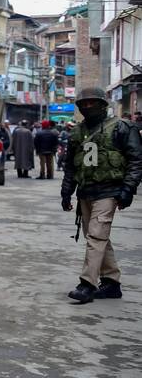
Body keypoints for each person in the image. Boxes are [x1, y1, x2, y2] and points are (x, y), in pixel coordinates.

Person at [60, 87, 142, 303]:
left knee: (96, 235)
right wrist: (66, 192)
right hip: (86, 192)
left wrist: (128, 189)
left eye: (92, 103)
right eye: (83, 104)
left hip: (109, 191)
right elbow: (70, 166)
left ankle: (87, 284)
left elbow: (136, 161)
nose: (88, 107)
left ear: (103, 105)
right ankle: (112, 282)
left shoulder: (122, 128)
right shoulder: (77, 132)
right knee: (97, 237)